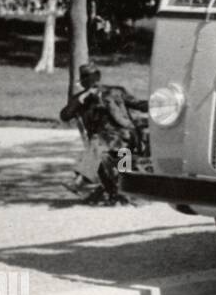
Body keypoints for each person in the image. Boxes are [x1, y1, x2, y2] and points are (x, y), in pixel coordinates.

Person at [60, 63, 149, 205]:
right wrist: (82, 98)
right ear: (82, 81)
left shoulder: (115, 92)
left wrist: (160, 104)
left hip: (124, 137)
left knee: (104, 146)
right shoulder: (80, 99)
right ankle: (116, 193)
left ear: (99, 77)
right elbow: (65, 115)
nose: (91, 81)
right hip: (102, 142)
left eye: (93, 77)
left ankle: (80, 182)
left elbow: (139, 104)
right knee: (99, 145)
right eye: (86, 78)